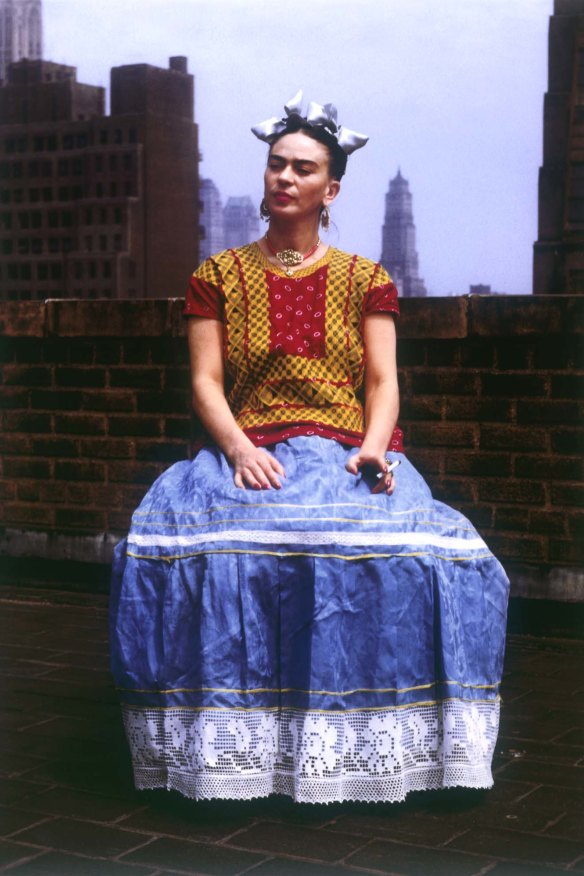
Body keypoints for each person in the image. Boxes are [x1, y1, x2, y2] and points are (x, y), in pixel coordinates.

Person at [110, 91, 509, 805]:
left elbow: (383, 382)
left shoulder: (366, 279)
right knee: (221, 554)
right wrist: (235, 448)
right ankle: (245, 749)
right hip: (253, 444)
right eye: (275, 165)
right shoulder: (218, 277)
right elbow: (206, 382)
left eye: (302, 168)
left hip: (348, 447)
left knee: (415, 559)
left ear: (331, 188)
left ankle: (359, 744)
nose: (284, 178)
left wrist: (375, 447)